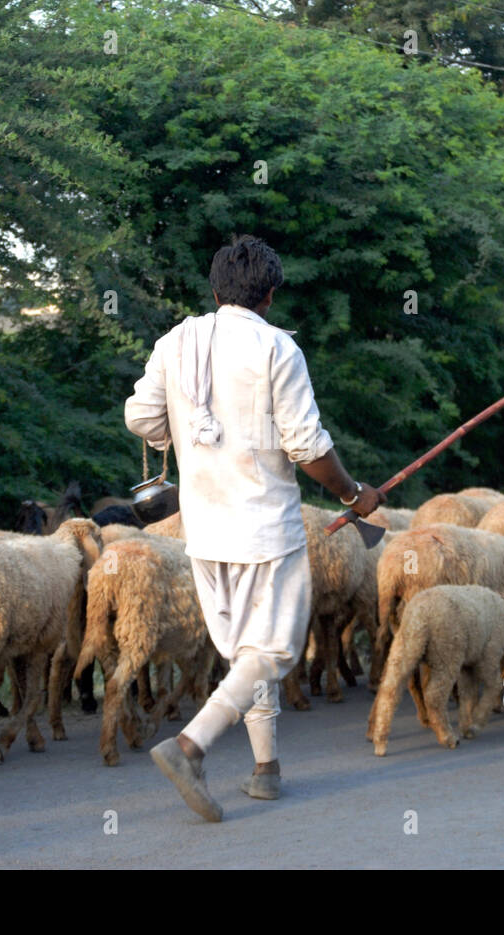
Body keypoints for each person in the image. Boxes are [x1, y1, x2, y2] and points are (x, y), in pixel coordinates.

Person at [124, 234, 384, 821]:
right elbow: (305, 445)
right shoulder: (277, 349)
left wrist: (186, 434)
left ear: (216, 290)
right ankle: (189, 746)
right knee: (273, 648)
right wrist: (353, 493)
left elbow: (139, 414)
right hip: (266, 529)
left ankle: (266, 769)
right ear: (269, 296)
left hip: (205, 532)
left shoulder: (176, 340)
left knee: (246, 655)